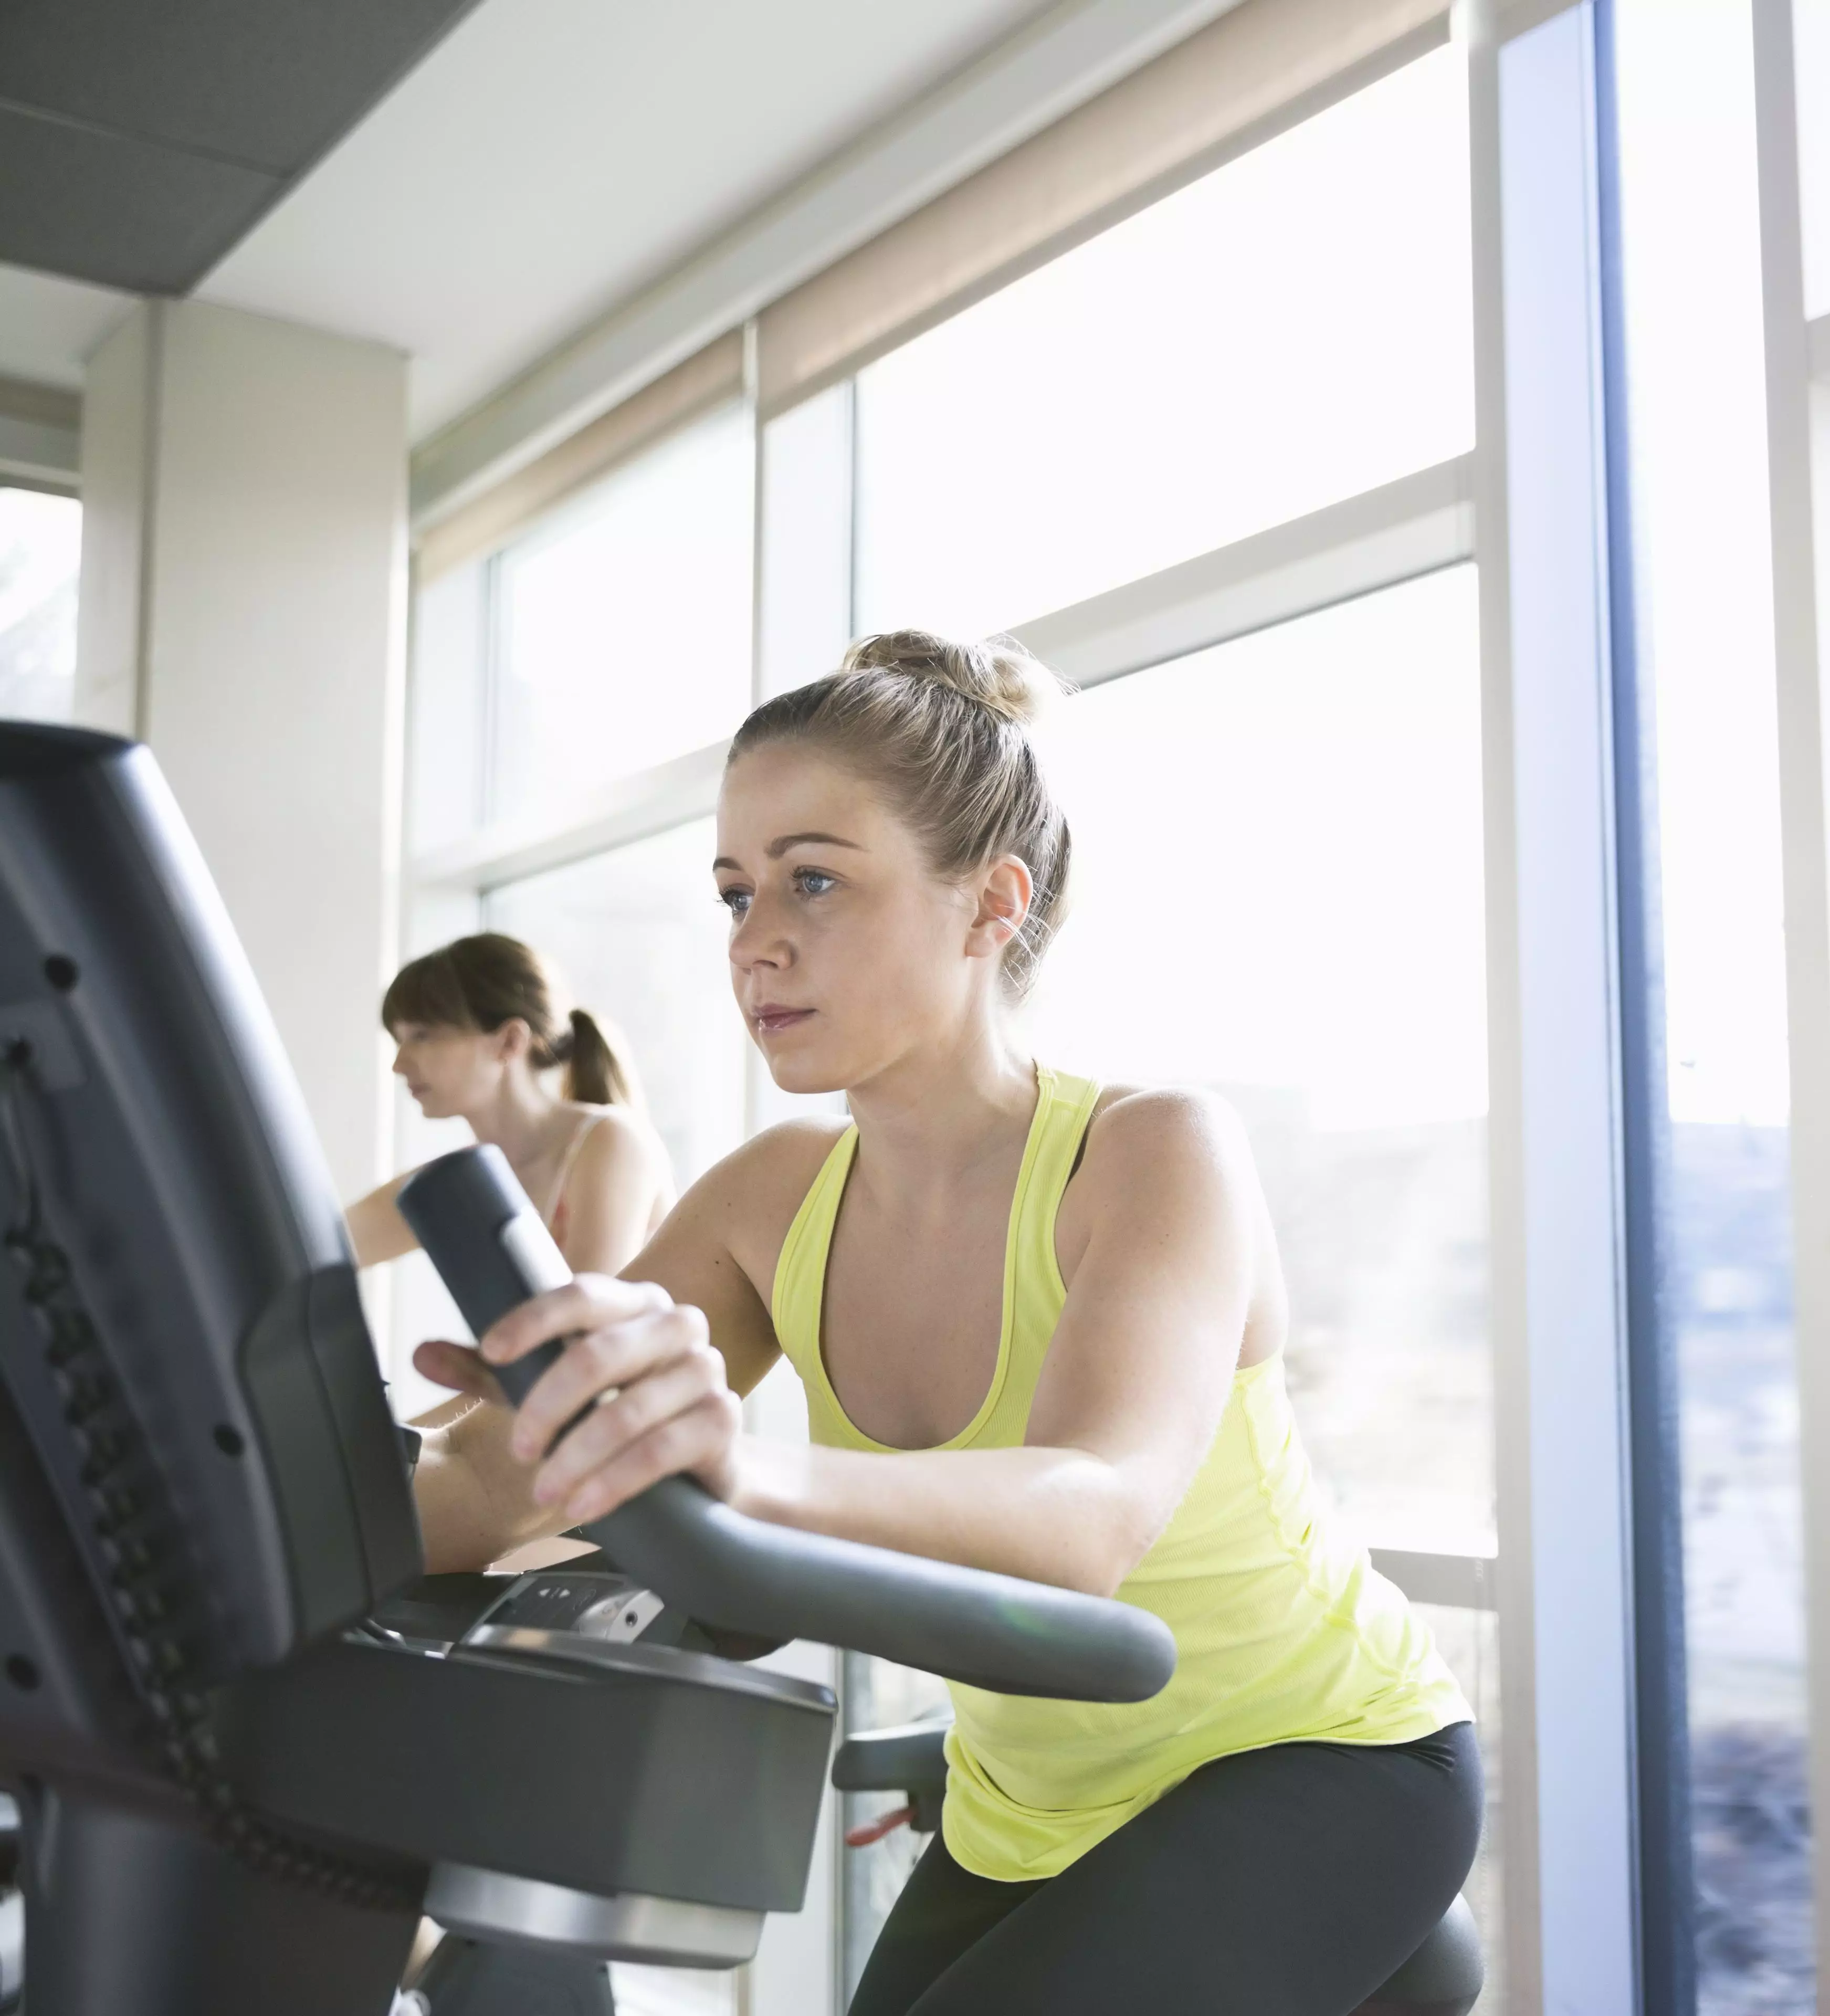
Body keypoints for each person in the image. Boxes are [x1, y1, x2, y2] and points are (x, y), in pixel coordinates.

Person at [406, 632, 1478, 2016]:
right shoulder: (768, 1200)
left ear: (989, 906)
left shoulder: (1151, 1153)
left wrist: (733, 1466)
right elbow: (493, 1479)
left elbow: (1094, 1514)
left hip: (1316, 1759)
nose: (756, 941)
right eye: (735, 892)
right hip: (1026, 1809)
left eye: (814, 882)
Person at [349, 933, 674, 1278]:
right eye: (400, 1041)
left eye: (422, 1036)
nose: (399, 1065)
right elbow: (323, 1249)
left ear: (509, 1041)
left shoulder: (613, 1141)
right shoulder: (460, 1183)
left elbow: (586, 1323)